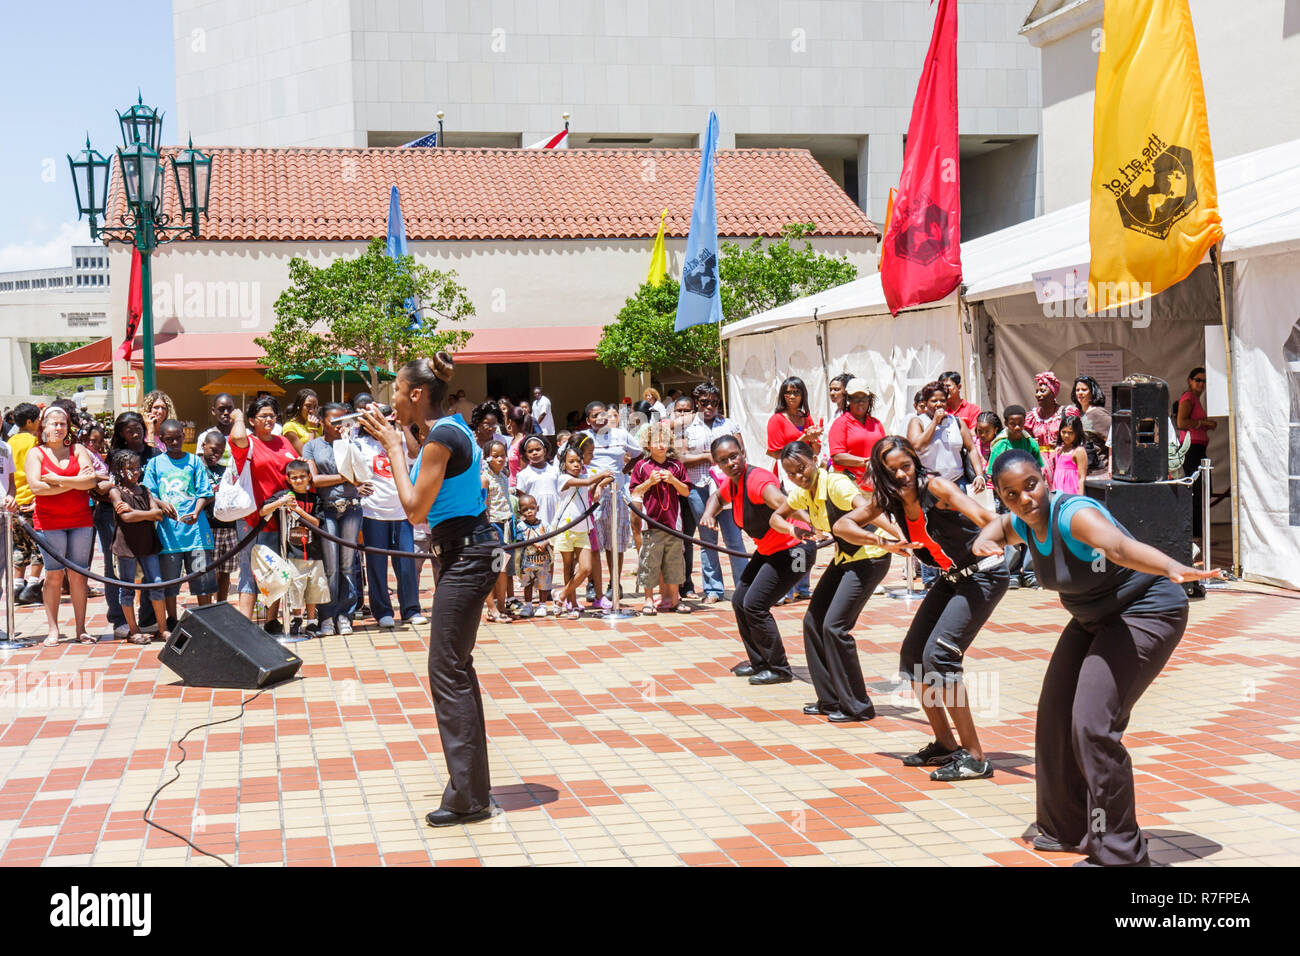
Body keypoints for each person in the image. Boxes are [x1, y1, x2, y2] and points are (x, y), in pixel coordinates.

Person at [975, 450, 1220, 865]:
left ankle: (1119, 851)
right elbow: (998, 527)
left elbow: (1121, 547)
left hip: (1147, 608)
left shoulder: (1074, 516)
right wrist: (985, 539)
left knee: (1092, 726)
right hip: (1094, 618)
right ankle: (1065, 826)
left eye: (1030, 485)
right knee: (1054, 717)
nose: (1024, 500)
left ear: (1046, 477)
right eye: (1011, 494)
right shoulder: (1019, 520)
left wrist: (1170, 566)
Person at [359, 353, 501, 828]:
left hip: (468, 556)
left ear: (416, 394)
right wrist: (405, 437)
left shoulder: (441, 436)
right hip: (467, 552)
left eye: (396, 391)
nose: (392, 400)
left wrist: (395, 448)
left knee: (446, 670)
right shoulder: (451, 428)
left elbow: (415, 509)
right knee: (456, 668)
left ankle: (468, 797)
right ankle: (471, 788)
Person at [835, 436, 1008, 781]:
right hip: (952, 576)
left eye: (906, 466)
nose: (902, 475)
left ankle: (975, 758)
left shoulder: (938, 488)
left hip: (983, 575)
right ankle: (946, 744)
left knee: (940, 657)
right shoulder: (890, 500)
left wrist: (990, 539)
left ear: (916, 462)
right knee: (913, 657)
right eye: (892, 470)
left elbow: (986, 516)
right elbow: (843, 526)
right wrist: (883, 542)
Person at [773, 441, 908, 722]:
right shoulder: (802, 493)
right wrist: (795, 531)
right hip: (845, 558)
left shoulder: (835, 485)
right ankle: (829, 698)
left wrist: (900, 537)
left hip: (870, 558)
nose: (799, 476)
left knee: (835, 627)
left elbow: (872, 511)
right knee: (813, 621)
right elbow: (776, 517)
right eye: (792, 473)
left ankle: (858, 706)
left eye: (802, 468)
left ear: (814, 460)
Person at [700, 435, 814, 686]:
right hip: (771, 550)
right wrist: (709, 514)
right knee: (740, 601)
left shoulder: (757, 480)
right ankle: (759, 662)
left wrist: (810, 522)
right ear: (717, 465)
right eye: (723, 461)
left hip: (796, 551)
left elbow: (784, 504)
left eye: (734, 456)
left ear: (742, 452)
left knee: (755, 604)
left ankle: (779, 668)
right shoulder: (733, 483)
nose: (731, 463)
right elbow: (717, 498)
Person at [25, 406, 100, 646]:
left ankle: (81, 628)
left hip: (80, 519)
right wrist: (75, 483)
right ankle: (53, 629)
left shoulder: (78, 449)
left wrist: (58, 480)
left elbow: (90, 481)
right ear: (43, 427)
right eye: (54, 424)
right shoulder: (35, 453)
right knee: (54, 575)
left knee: (79, 575)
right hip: (49, 521)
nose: (58, 428)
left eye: (63, 424)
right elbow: (36, 488)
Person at [228, 396, 298, 629]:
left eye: (272, 415)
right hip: (254, 518)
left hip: (281, 518)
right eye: (263, 416)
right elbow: (236, 436)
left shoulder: (283, 442)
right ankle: (244, 626)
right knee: (250, 572)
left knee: (276, 570)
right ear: (251, 420)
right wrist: (237, 417)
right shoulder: (247, 443)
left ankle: (272, 620)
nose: (269, 420)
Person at [354, 408, 424, 628]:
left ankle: (411, 609)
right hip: (373, 511)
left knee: (406, 563)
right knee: (376, 563)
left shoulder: (400, 438)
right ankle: (382, 612)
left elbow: (415, 452)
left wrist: (403, 425)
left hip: (402, 510)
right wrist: (357, 486)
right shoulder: (359, 443)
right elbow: (350, 470)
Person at [145, 419, 216, 629]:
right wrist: (159, 503)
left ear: (184, 437)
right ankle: (172, 619)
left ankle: (205, 619)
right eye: (169, 439)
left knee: (202, 579)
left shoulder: (194, 462)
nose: (174, 442)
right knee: (170, 582)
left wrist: (196, 510)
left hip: (196, 533)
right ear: (163, 440)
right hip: (169, 535)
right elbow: (148, 490)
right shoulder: (156, 463)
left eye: (178, 438)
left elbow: (205, 492)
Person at [303, 403, 367, 635]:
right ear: (321, 421)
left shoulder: (352, 443)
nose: (340, 426)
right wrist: (343, 477)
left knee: (348, 566)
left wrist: (348, 446)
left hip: (351, 507)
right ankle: (327, 616)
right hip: (327, 509)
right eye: (334, 421)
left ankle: (345, 615)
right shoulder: (311, 447)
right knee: (330, 567)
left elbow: (360, 476)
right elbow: (314, 480)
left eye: (343, 421)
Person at [680, 383, 747, 603]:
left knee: (734, 538)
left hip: (727, 487)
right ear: (696, 402)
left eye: (714, 402)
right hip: (699, 486)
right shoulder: (687, 427)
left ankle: (743, 585)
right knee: (707, 540)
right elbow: (680, 457)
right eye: (704, 402)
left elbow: (741, 452)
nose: (709, 406)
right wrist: (706, 457)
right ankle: (713, 589)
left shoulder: (729, 424)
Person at [580, 400, 642, 608]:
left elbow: (638, 454)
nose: (600, 418)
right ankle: (592, 584)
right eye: (595, 415)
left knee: (615, 541)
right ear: (588, 419)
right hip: (593, 495)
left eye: (603, 414)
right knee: (594, 541)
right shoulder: (584, 438)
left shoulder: (621, 434)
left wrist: (623, 473)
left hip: (616, 493)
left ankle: (615, 583)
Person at [108, 449, 172, 646]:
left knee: (156, 583)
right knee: (127, 587)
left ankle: (163, 628)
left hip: (147, 542)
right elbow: (125, 517)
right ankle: (133, 629)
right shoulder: (115, 492)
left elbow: (158, 514)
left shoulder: (144, 490)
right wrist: (147, 514)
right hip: (126, 544)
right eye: (130, 469)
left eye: (138, 468)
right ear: (119, 471)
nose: (136, 472)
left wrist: (137, 512)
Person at [261, 460, 328, 636]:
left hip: (314, 551)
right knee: (296, 587)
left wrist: (298, 510)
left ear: (309, 478)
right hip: (292, 551)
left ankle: (312, 621)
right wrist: (281, 502)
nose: (299, 480)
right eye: (295, 477)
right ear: (288, 479)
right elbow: (263, 511)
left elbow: (316, 522)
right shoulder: (284, 495)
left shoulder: (315, 498)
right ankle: (297, 618)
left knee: (314, 587)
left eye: (302, 477)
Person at [630, 422, 691, 615]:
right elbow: (635, 492)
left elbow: (686, 492)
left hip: (674, 522)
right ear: (647, 445)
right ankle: (648, 599)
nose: (660, 445)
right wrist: (650, 481)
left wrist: (673, 480)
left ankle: (674, 599)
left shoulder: (676, 465)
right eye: (655, 442)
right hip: (651, 523)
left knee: (673, 561)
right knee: (649, 562)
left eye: (664, 441)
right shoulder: (642, 466)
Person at [987, 405, 1043, 590]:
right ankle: (1011, 572)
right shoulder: (1000, 444)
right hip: (1009, 497)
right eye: (1013, 424)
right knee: (1012, 530)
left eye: (1020, 423)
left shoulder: (1030, 443)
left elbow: (1038, 468)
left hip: (1028, 496)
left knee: (1031, 530)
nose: (1017, 428)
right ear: (1006, 424)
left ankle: (1029, 572)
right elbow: (992, 472)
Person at [552, 444, 612, 619]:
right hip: (566, 529)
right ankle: (571, 604)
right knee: (568, 567)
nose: (576, 465)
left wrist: (600, 485)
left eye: (578, 461)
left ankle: (561, 595)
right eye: (571, 462)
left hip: (583, 528)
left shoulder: (586, 475)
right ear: (564, 464)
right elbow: (587, 482)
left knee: (586, 568)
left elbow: (610, 477)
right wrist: (600, 477)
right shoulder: (563, 479)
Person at [9, 403, 44, 606]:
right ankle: (32, 585)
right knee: (39, 545)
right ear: (30, 422)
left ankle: (16, 586)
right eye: (38, 419)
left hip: (13, 502)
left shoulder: (10, 442)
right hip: (31, 500)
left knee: (19, 546)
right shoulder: (34, 442)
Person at [1176, 367, 1215, 537]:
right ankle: (1194, 534)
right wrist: (1203, 424)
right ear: (1190, 381)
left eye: (1204, 381)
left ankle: (1198, 532)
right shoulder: (1189, 398)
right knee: (1197, 490)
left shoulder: (1196, 399)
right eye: (1198, 380)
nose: (1201, 383)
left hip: (1198, 448)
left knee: (1203, 490)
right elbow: (1181, 422)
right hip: (1191, 449)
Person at [827, 377, 886, 489]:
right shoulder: (840, 423)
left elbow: (884, 449)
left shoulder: (876, 423)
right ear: (848, 400)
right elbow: (837, 457)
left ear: (869, 400)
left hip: (874, 483)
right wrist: (866, 462)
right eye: (855, 399)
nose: (860, 403)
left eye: (863, 398)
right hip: (850, 485)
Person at [200, 431, 237, 604]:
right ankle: (207, 609)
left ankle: (222, 604)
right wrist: (216, 494)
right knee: (208, 571)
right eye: (213, 449)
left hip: (229, 526)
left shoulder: (225, 471)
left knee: (226, 570)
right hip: (208, 526)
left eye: (221, 451)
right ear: (203, 446)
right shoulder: (197, 471)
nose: (217, 454)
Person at [481, 440, 514, 623]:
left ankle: (501, 607)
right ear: (487, 457)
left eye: (503, 455)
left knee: (503, 570)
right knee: (494, 569)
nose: (500, 459)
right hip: (493, 526)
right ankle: (492, 607)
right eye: (495, 456)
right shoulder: (484, 478)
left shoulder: (503, 475)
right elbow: (483, 507)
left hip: (506, 524)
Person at [514, 493, 552, 616]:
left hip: (543, 561)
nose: (529, 511)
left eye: (532, 508)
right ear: (520, 512)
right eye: (525, 510)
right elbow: (520, 541)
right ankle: (528, 605)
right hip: (527, 562)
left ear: (538, 508)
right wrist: (536, 544)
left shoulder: (544, 524)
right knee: (528, 584)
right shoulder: (520, 526)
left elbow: (551, 538)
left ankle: (542, 605)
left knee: (543, 583)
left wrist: (544, 544)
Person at [1064, 375, 1111, 475]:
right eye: (1077, 390)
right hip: (1078, 472)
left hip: (1098, 473)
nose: (1080, 392)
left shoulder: (1099, 414)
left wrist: (1111, 468)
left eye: (1084, 389)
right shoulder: (1076, 413)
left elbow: (1115, 443)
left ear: (1092, 392)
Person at [514, 436, 560, 531]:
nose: (534, 453)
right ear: (526, 455)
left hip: (555, 509)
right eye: (530, 451)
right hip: (536, 511)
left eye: (538, 449)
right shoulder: (524, 474)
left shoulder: (555, 470)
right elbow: (521, 497)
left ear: (545, 450)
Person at [1025, 371, 1064, 455]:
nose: (1038, 395)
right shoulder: (1031, 417)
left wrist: (1062, 443)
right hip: (1039, 462)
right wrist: (1030, 442)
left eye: (1042, 391)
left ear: (1053, 394)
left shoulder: (1065, 414)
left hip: (1060, 460)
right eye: (1037, 391)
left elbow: (1076, 438)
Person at [198, 393, 238, 469]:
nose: (226, 412)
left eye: (229, 408)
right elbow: (201, 464)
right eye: (221, 409)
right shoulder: (205, 436)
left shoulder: (244, 434)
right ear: (213, 411)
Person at [1052, 415, 1088, 496]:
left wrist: (1080, 499)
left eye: (1070, 433)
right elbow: (1056, 475)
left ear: (1077, 433)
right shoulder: (1059, 450)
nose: (1066, 436)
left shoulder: (1078, 451)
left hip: (1072, 494)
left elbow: (1082, 478)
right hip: (1059, 494)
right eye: (1063, 432)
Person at [281, 387, 321, 456]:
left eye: (315, 407)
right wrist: (312, 430)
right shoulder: (290, 427)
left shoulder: (316, 424)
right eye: (308, 406)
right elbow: (306, 455)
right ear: (299, 406)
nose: (312, 411)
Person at [141, 390, 176, 454]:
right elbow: (149, 457)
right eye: (156, 407)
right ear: (148, 409)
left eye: (163, 408)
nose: (160, 411)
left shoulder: (169, 433)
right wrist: (150, 432)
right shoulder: (141, 433)